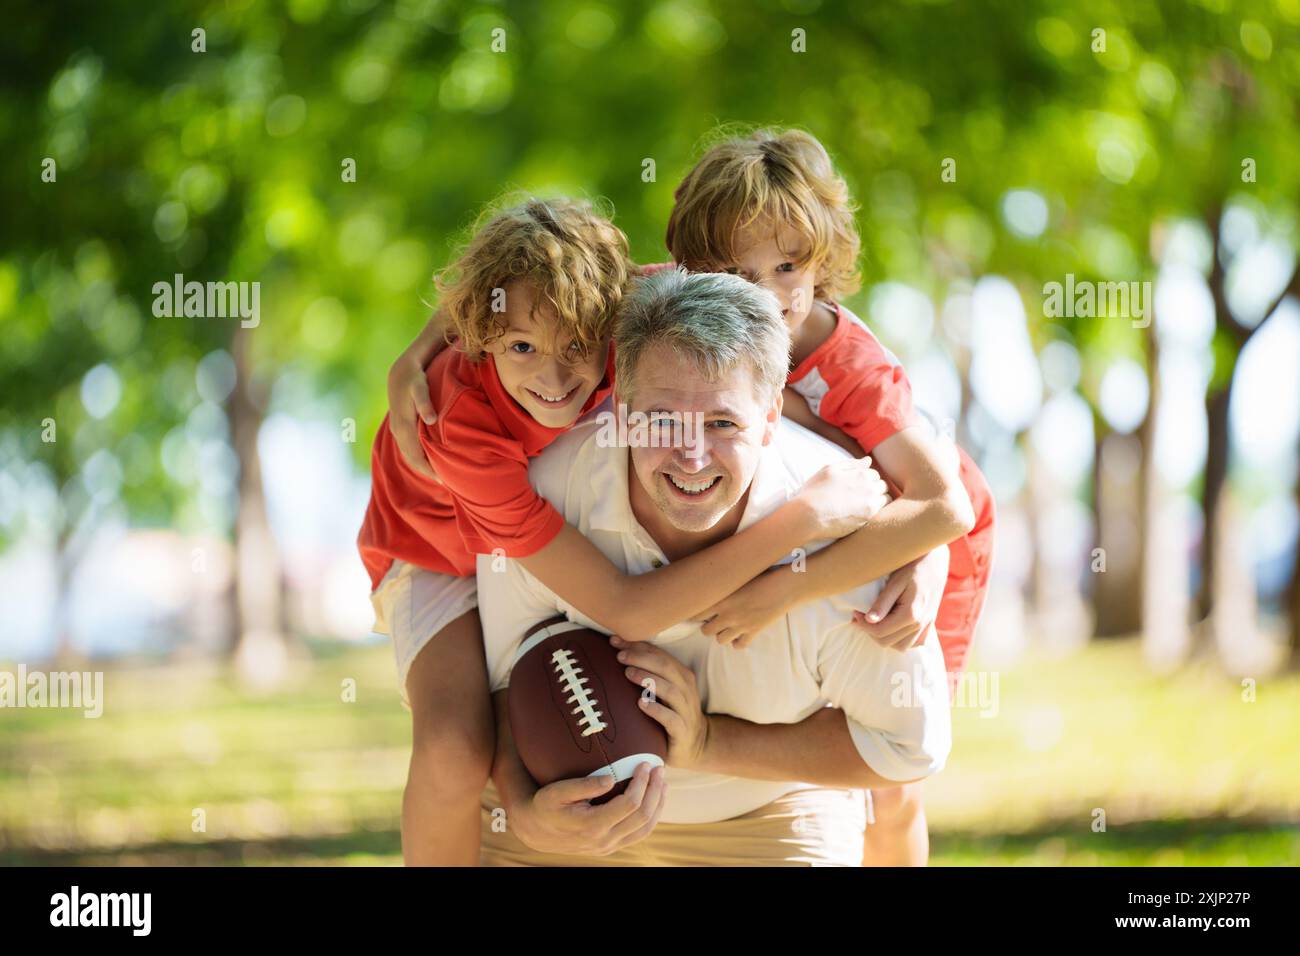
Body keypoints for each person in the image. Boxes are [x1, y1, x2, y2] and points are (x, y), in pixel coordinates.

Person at [358, 197, 885, 865]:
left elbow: (772, 323)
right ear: (479, 335)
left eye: (577, 347)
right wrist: (799, 523)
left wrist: (890, 487)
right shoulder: (461, 426)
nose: (553, 378)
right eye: (521, 347)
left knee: (896, 788)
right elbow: (626, 609)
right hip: (435, 549)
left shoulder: (620, 303)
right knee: (453, 750)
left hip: (528, 534)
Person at [476, 269, 952, 865]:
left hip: (767, 812)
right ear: (622, 408)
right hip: (568, 813)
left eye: (723, 423)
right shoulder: (550, 494)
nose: (691, 455)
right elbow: (498, 684)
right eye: (663, 419)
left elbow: (906, 747)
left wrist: (708, 743)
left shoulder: (852, 538)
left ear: (773, 415)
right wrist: (524, 812)